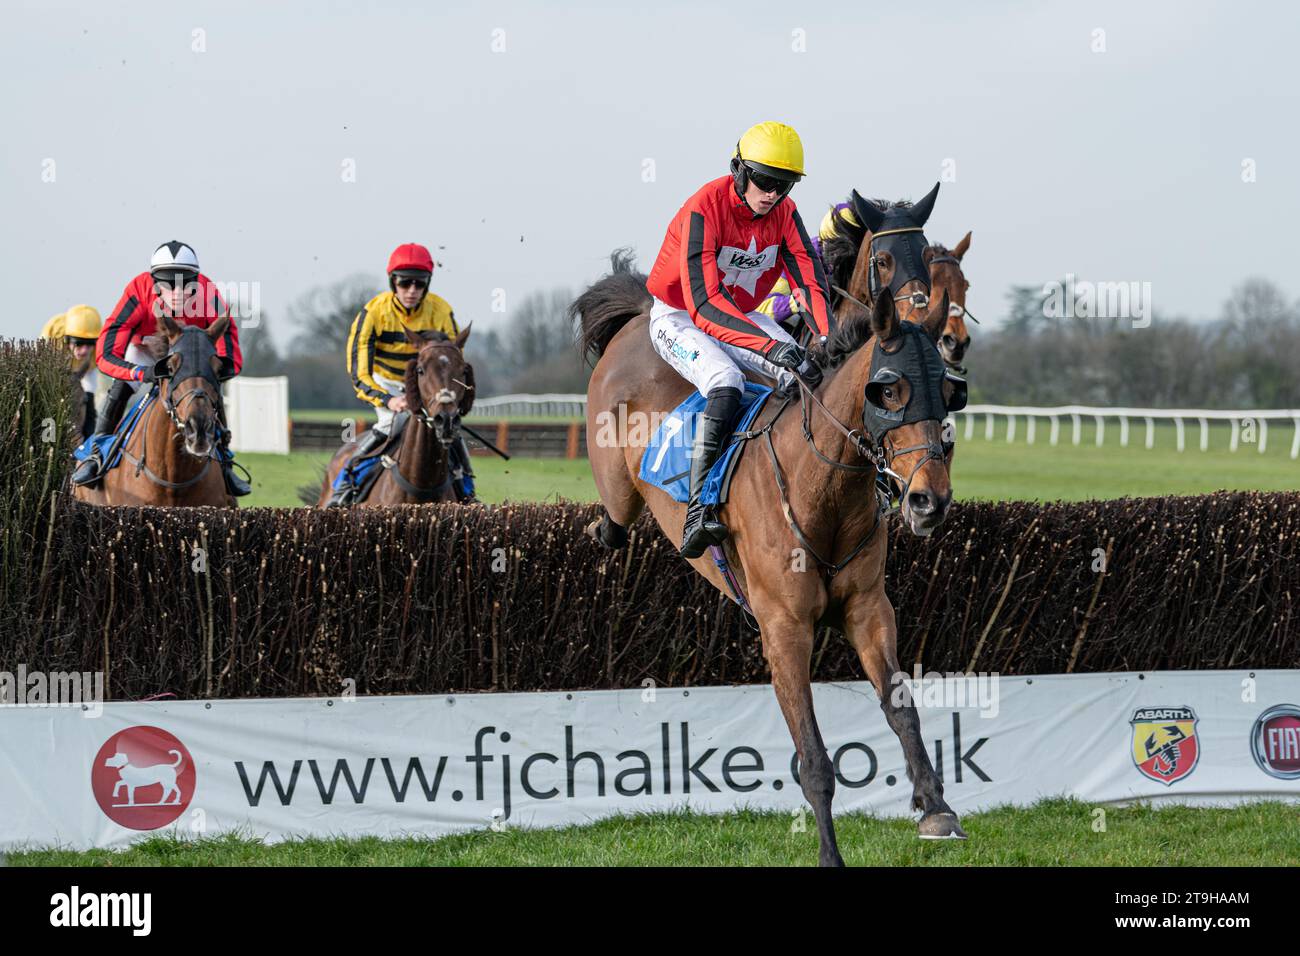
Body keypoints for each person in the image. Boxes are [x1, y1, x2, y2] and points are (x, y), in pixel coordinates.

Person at [645, 121, 834, 558]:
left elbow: (809, 281)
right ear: (738, 170)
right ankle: (698, 508)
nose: (772, 194)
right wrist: (773, 347)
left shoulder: (785, 214)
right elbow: (706, 304)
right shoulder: (703, 208)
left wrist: (826, 339)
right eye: (764, 181)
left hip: (741, 313)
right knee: (726, 380)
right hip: (680, 315)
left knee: (809, 375)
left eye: (784, 185)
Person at [70, 241, 249, 495]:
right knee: (123, 387)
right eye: (168, 284)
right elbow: (106, 353)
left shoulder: (209, 293)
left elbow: (228, 342)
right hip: (144, 350)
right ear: (154, 282)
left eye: (186, 283)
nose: (177, 292)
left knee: (207, 389)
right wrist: (140, 373)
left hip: (190, 355)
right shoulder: (137, 290)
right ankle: (96, 454)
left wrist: (216, 371)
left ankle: (226, 463)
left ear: (196, 282)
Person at [325, 242, 476, 507]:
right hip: (387, 384)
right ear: (393, 282)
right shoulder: (373, 313)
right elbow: (359, 372)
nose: (412, 291)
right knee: (388, 426)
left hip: (428, 387)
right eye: (405, 283)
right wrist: (388, 400)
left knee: (451, 431)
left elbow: (453, 362)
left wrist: (449, 396)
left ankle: (467, 491)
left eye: (419, 284)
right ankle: (343, 489)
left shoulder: (441, 311)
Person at [41, 304, 103, 441]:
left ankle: (90, 441)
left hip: (84, 369)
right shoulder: (53, 341)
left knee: (89, 399)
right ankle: (47, 440)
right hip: (55, 368)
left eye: (90, 344)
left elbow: (90, 380)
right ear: (67, 340)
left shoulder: (96, 351)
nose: (85, 350)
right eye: (79, 344)